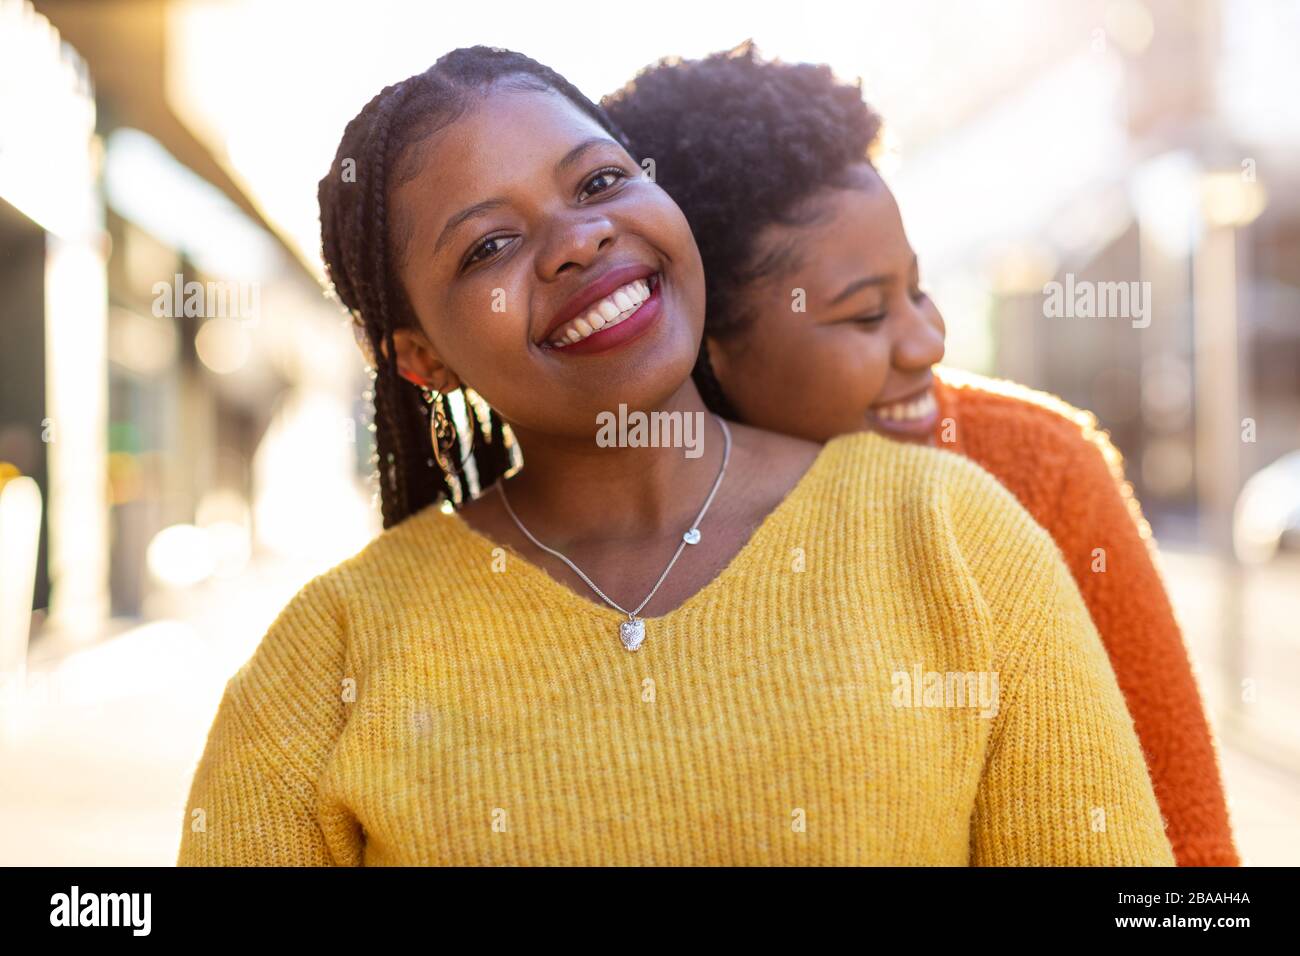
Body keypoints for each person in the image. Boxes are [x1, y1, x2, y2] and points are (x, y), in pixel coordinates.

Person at [176, 46, 1174, 866]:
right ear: (419, 356)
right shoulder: (321, 663)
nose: (577, 240)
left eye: (601, 181)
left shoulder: (956, 536)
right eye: (486, 247)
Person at [602, 40, 1236, 866]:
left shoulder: (1031, 467)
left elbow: (1191, 845)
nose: (928, 342)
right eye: (867, 316)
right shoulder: (621, 530)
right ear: (705, 342)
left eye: (918, 288)